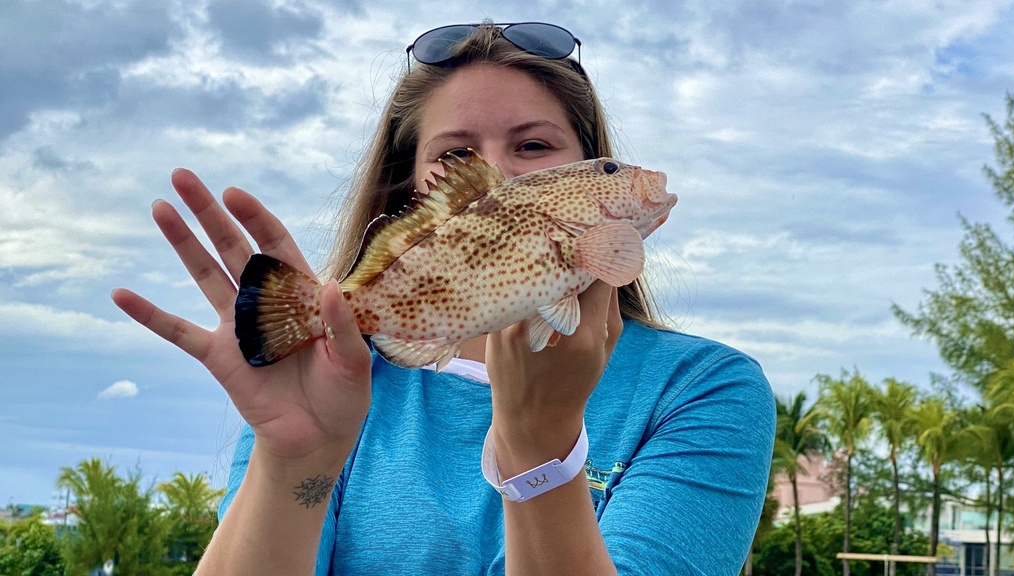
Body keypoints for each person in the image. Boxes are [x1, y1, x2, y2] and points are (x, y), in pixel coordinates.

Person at [112, 22, 775, 576]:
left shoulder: (703, 389)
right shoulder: (323, 381)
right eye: (458, 156)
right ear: (409, 200)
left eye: (535, 145)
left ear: (587, 163)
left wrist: (539, 447)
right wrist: (295, 462)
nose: (499, 178)